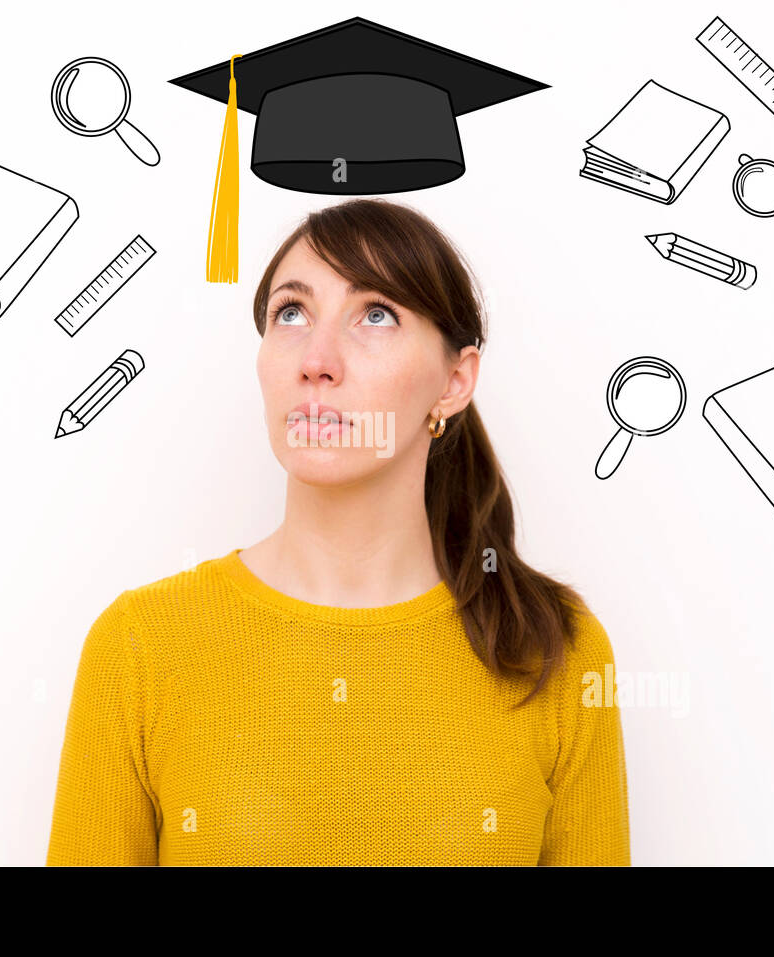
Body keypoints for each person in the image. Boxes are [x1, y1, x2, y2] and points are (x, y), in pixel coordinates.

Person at [45, 198, 630, 865]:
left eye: (376, 314)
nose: (316, 360)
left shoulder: (557, 648)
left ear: (454, 380)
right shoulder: (139, 646)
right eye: (290, 313)